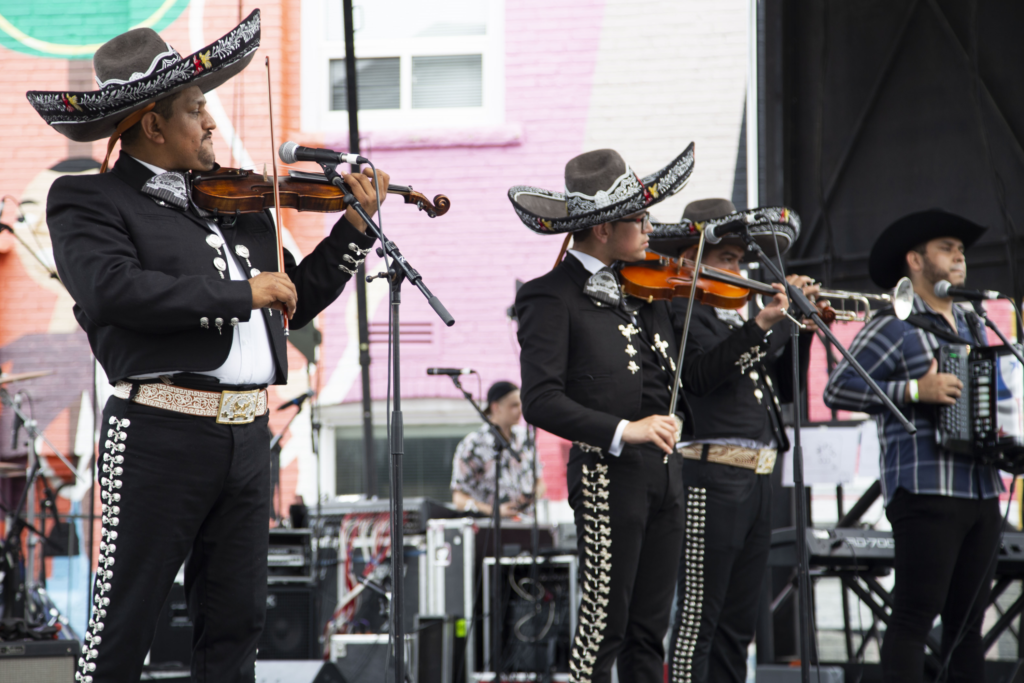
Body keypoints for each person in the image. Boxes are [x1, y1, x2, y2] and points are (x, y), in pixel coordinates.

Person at [28, 13, 390, 683]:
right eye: (196, 110)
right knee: (123, 624)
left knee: (235, 628)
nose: (211, 124)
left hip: (247, 439)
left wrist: (353, 233)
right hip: (158, 431)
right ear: (152, 125)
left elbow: (292, 299)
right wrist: (237, 294)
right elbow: (113, 291)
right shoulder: (87, 199)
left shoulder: (235, 201)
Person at [511, 145, 695, 683]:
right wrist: (625, 430)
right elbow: (539, 400)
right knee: (604, 626)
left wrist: (761, 326)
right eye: (638, 218)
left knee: (649, 631)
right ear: (602, 229)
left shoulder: (645, 291)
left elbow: (689, 377)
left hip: (665, 474)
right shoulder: (548, 296)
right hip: (605, 473)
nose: (649, 227)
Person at [824, 209, 1001, 683]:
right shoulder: (894, 324)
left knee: (967, 628)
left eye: (961, 249)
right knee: (913, 617)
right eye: (947, 247)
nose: (959, 255)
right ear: (915, 260)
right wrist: (913, 390)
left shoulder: (972, 321)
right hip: (926, 491)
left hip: (981, 489)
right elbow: (837, 388)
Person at [648, 199, 816, 683]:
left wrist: (796, 328)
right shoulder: (680, 311)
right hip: (709, 478)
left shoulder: (737, 323)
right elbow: (701, 377)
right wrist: (762, 323)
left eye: (741, 259)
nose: (739, 269)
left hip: (759, 478)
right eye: (726, 258)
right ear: (690, 257)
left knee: (739, 625)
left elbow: (787, 393)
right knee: (699, 619)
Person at [451, 381, 545, 518]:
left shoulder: (526, 439)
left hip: (525, 525)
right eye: (514, 405)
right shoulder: (473, 444)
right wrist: (493, 511)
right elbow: (458, 498)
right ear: (495, 407)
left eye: (520, 404)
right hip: (488, 529)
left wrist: (531, 496)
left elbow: (540, 482)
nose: (520, 410)